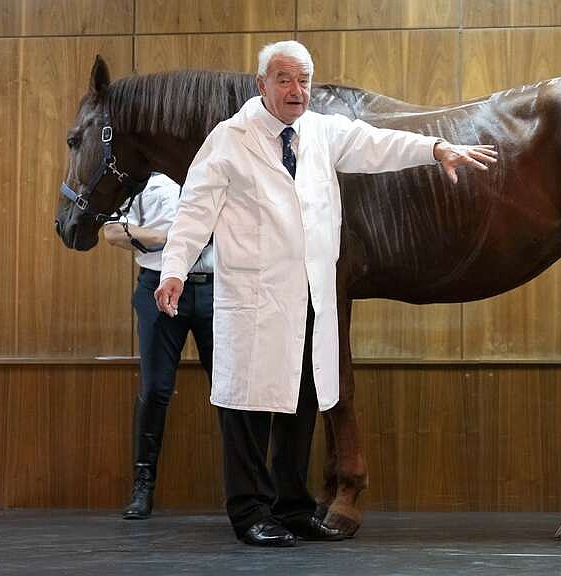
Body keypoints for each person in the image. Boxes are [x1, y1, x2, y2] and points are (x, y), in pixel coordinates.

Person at [154, 40, 497, 547]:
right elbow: (194, 211)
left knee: (302, 402)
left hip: (310, 297)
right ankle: (249, 512)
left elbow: (378, 143)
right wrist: (174, 269)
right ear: (262, 85)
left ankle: (292, 506)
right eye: (285, 80)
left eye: (304, 81)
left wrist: (434, 149)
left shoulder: (321, 132)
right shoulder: (228, 140)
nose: (297, 91)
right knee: (247, 409)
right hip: (255, 297)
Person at [103, 173, 215, 520]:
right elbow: (111, 230)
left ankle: (251, 490)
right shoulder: (143, 180)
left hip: (216, 288)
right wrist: (168, 238)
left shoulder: (215, 172)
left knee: (233, 391)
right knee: (155, 389)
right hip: (157, 287)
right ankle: (142, 486)